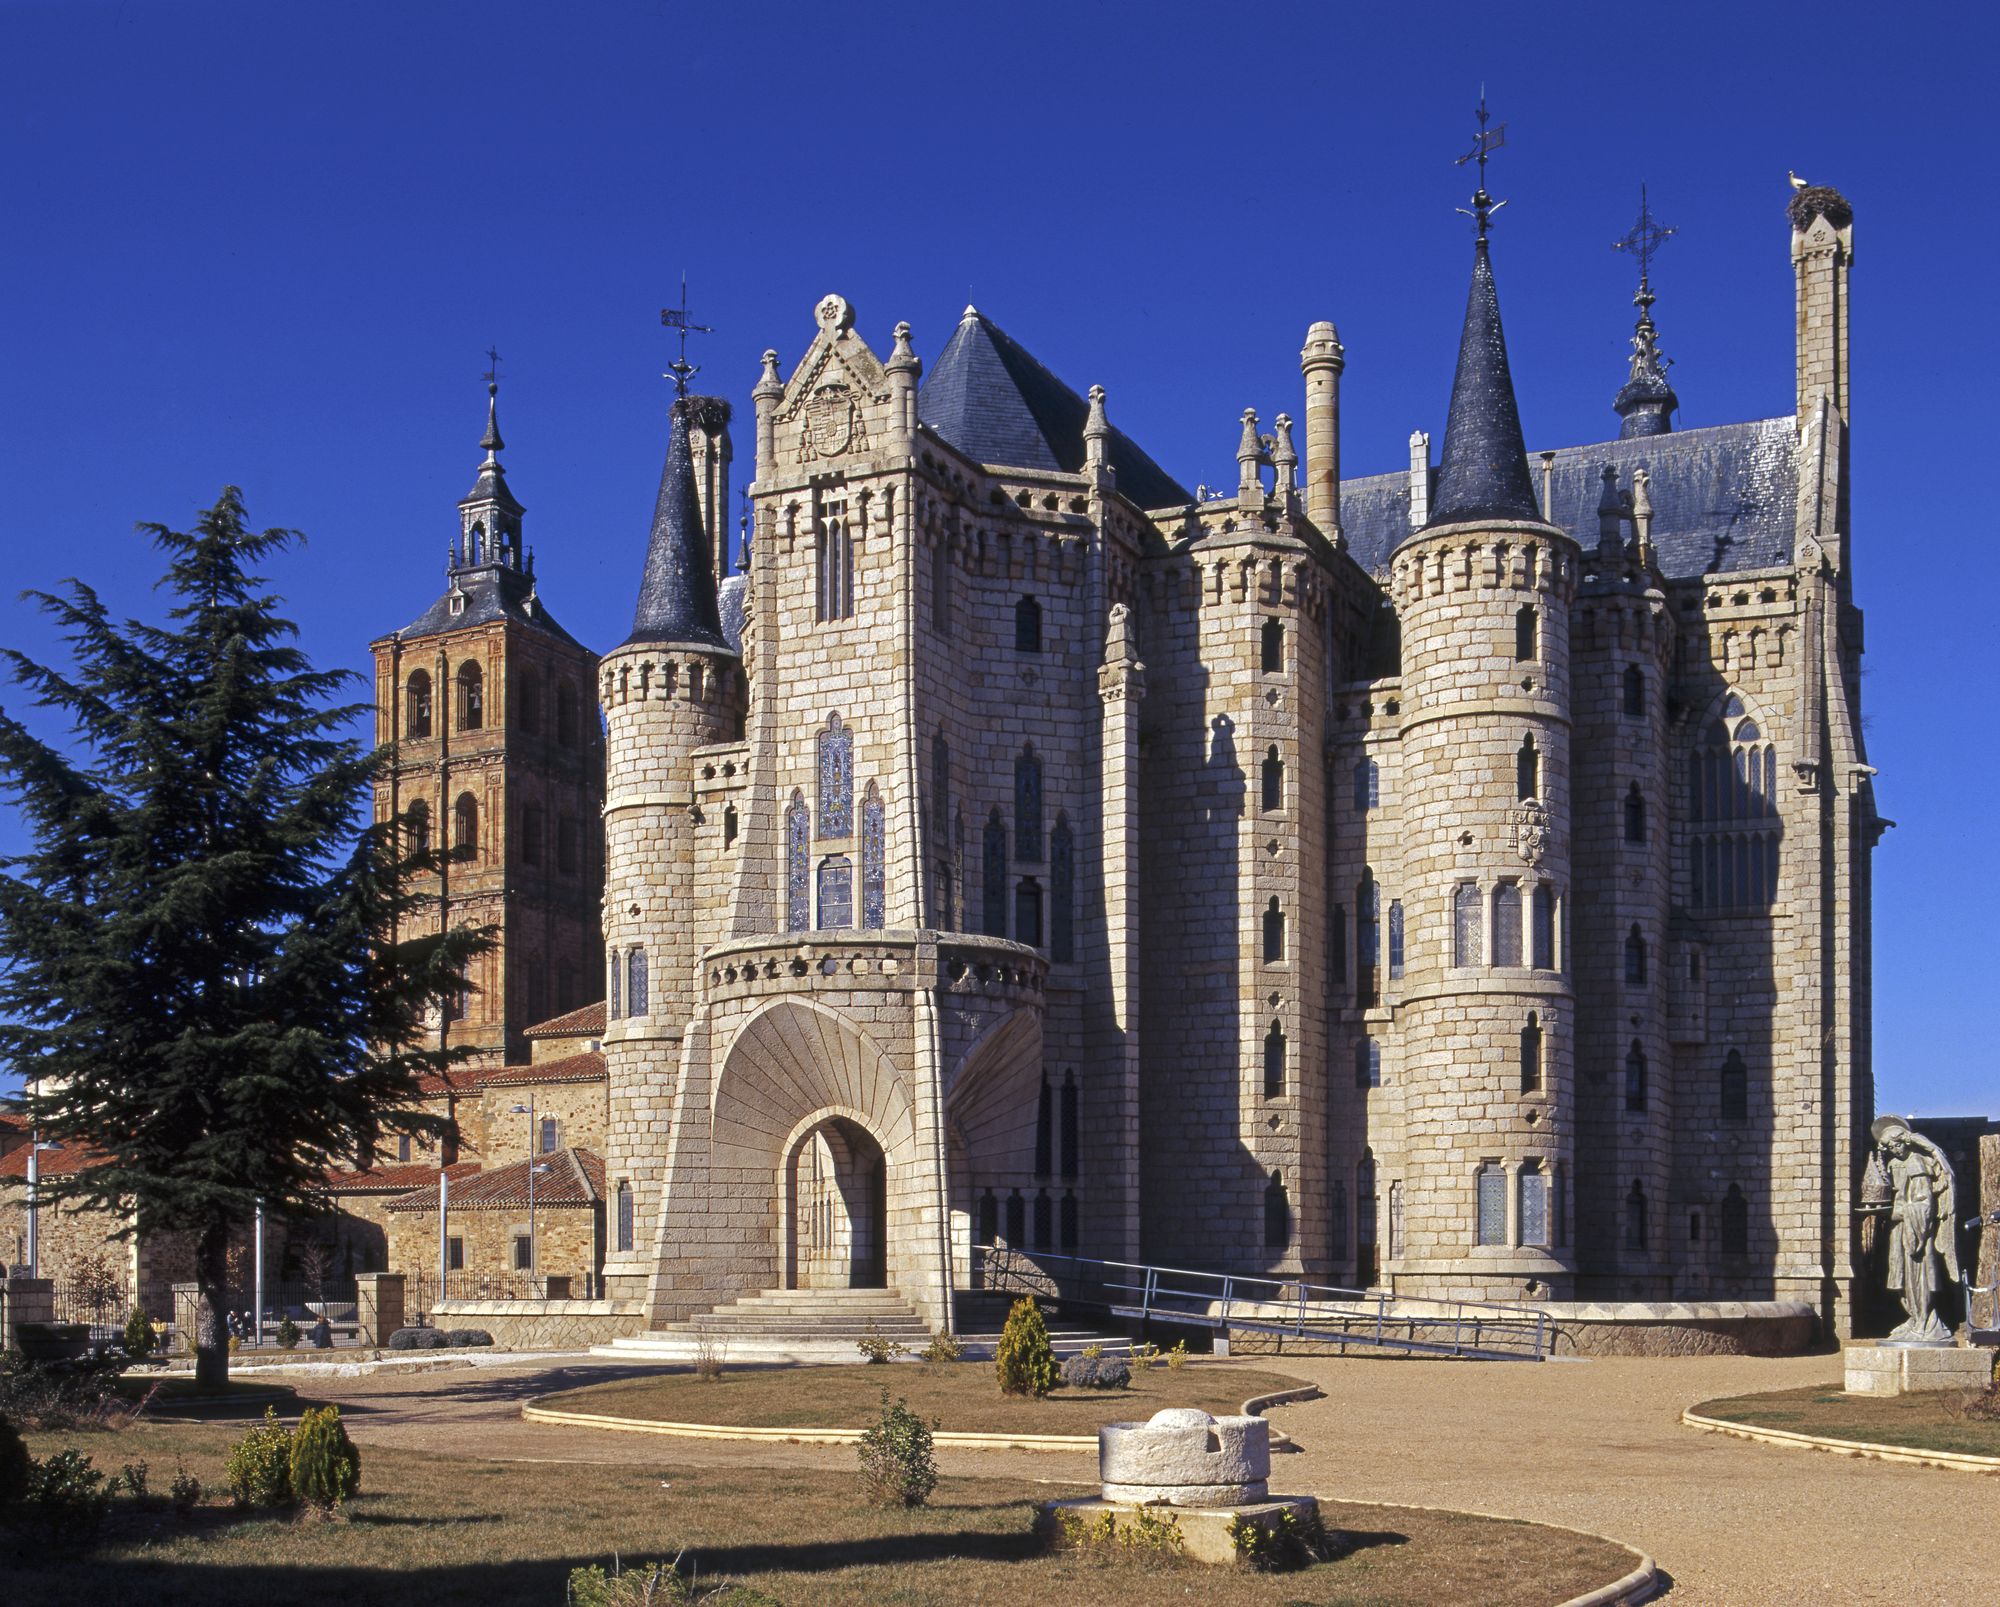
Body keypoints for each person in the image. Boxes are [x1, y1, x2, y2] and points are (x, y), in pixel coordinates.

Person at [1872, 1115, 1961, 1344]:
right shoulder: (1894, 1164)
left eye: (1896, 1144)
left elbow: (1924, 1203)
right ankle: (1914, 1319)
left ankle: (1926, 1323)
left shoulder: (1918, 1163)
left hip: (1916, 1231)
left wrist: (1900, 1213)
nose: (1894, 1150)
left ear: (1905, 1140)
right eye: (1890, 1147)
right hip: (1900, 1229)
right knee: (1901, 1278)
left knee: (1917, 1276)